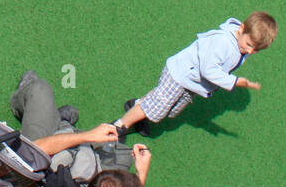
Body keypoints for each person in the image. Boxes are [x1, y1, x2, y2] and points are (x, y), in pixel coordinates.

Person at [10, 71, 151, 187]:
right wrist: (142, 175)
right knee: (120, 154)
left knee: (39, 89)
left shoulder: (57, 184)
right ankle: (62, 123)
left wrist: (88, 136)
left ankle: (56, 122)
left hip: (34, 170)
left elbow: (36, 150)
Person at [114, 12, 277, 139]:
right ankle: (119, 126)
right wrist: (234, 82)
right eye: (249, 45)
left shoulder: (242, 46)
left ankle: (136, 105)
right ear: (241, 29)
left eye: (255, 50)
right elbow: (208, 70)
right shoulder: (222, 43)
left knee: (170, 111)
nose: (250, 51)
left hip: (192, 82)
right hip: (180, 74)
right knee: (159, 107)